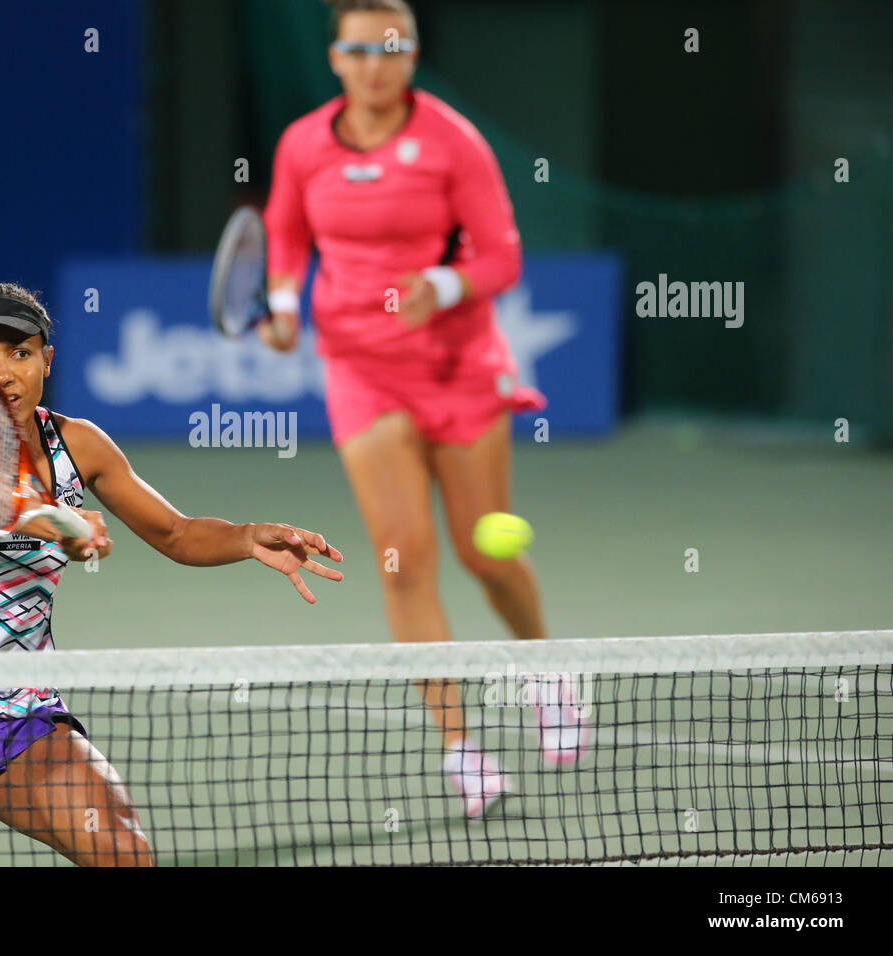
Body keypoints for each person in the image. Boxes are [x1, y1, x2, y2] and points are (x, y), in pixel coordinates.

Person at [0, 282, 343, 866]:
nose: (3, 372)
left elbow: (176, 534)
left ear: (47, 360)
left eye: (20, 352)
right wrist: (60, 522)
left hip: (15, 718)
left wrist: (245, 536)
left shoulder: (79, 445)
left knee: (123, 852)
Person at [260, 0, 587, 817]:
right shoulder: (303, 143)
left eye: (392, 48)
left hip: (456, 362)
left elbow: (502, 254)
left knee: (484, 553)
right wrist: (282, 303)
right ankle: (461, 749)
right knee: (404, 553)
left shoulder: (452, 141)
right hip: (361, 370)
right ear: (337, 57)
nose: (375, 63)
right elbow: (285, 233)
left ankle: (547, 671)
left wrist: (438, 286)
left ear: (411, 55)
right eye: (360, 48)